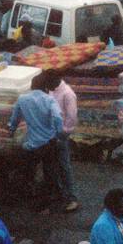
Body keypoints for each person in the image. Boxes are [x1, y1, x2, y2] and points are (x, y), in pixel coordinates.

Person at [6, 70, 69, 210]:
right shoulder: (49, 100)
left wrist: (11, 130)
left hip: (31, 145)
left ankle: (29, 197)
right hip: (48, 144)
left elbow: (14, 119)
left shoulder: (22, 99)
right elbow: (58, 118)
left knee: (29, 172)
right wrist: (59, 133)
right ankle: (48, 201)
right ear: (45, 86)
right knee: (49, 172)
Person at [47, 71, 80, 213]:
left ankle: (71, 198)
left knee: (64, 166)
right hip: (50, 135)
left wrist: (63, 133)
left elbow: (72, 117)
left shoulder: (68, 94)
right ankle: (59, 193)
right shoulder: (51, 90)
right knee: (52, 166)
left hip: (60, 136)